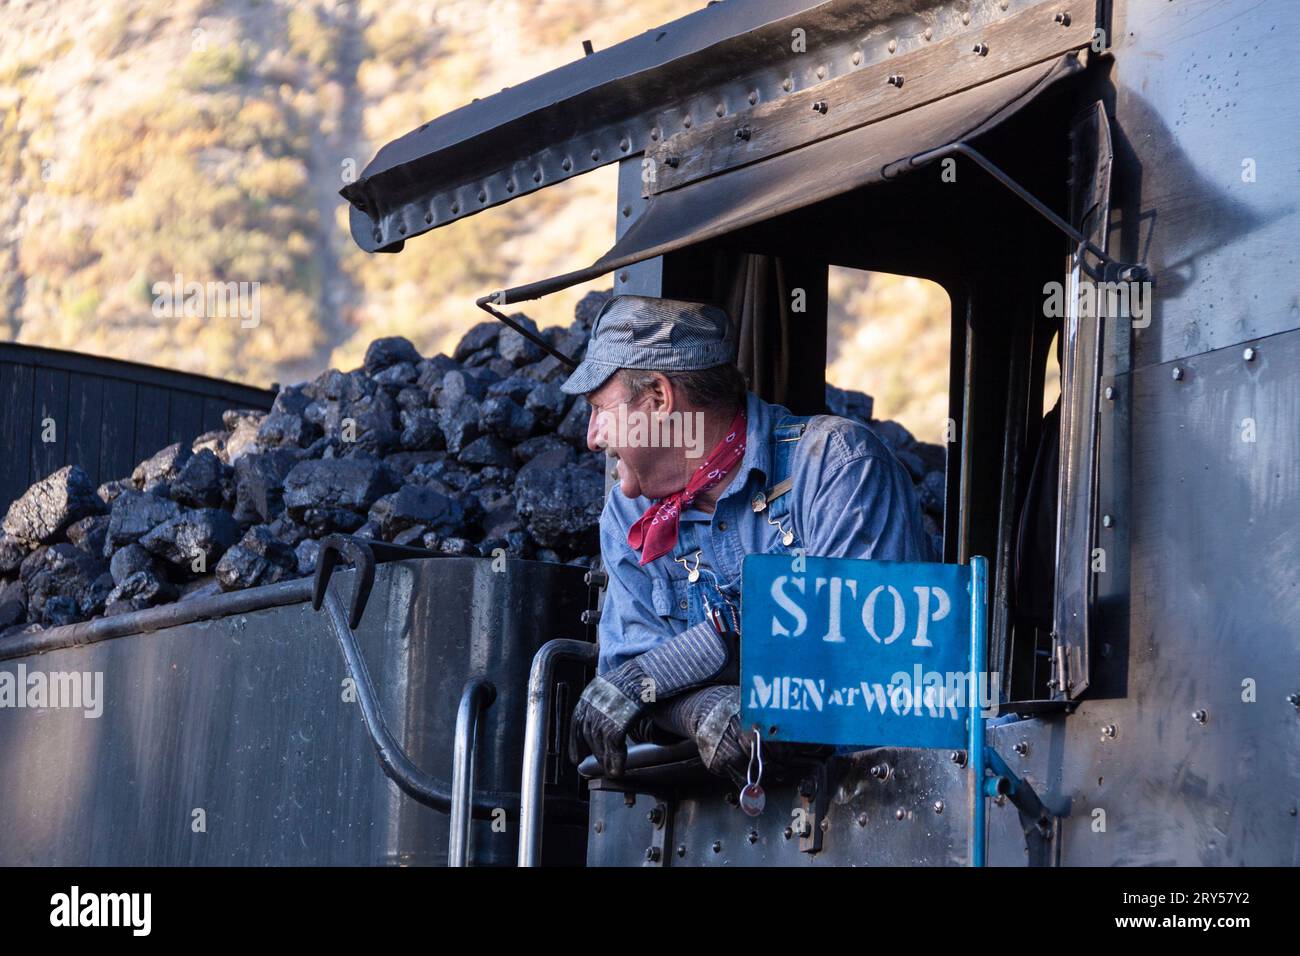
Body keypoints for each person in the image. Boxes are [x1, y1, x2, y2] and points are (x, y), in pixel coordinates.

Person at [563, 295, 933, 781]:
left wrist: (688, 663)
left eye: (598, 409)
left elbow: (871, 660)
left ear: (657, 396)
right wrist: (706, 709)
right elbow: (627, 689)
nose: (592, 437)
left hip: (870, 797)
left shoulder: (835, 464)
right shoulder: (630, 513)